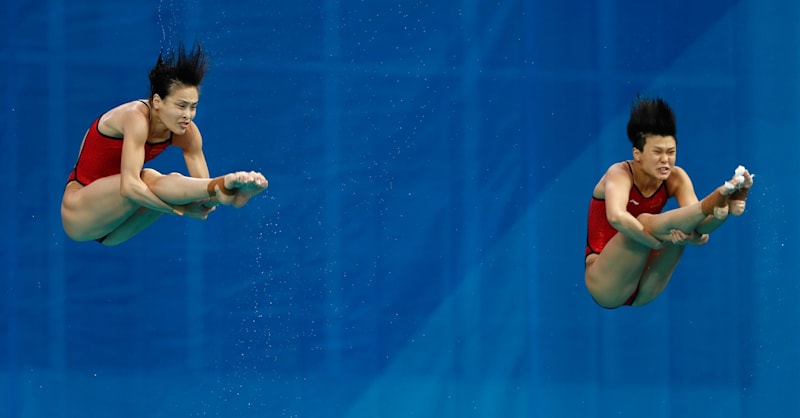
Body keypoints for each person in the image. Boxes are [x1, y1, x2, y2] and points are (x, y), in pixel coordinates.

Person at [61, 42, 268, 246]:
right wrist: (178, 209)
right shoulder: (136, 117)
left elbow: (202, 193)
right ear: (157, 102)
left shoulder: (188, 134)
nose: (188, 115)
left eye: (193, 107)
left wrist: (216, 196)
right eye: (181, 106)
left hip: (116, 230)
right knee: (147, 178)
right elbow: (129, 187)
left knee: (183, 185)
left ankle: (230, 193)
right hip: (79, 212)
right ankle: (223, 185)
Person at [584, 96, 753, 308]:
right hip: (605, 284)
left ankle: (725, 205)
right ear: (637, 154)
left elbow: (702, 230)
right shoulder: (619, 173)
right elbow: (616, 217)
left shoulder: (677, 177)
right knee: (646, 220)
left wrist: (701, 230)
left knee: (685, 227)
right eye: (657, 152)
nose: (666, 160)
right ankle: (714, 199)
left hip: (645, 288)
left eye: (671, 152)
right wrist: (658, 240)